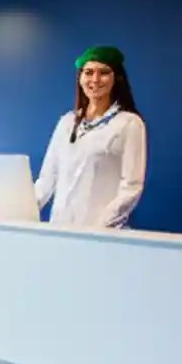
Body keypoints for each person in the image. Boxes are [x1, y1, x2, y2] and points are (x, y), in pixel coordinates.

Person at [34, 45, 147, 228]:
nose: (95, 79)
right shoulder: (67, 122)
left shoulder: (129, 123)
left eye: (103, 73)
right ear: (80, 78)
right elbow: (47, 179)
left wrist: (100, 227)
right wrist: (19, 211)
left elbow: (131, 187)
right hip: (60, 229)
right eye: (88, 72)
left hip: (102, 235)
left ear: (116, 78)